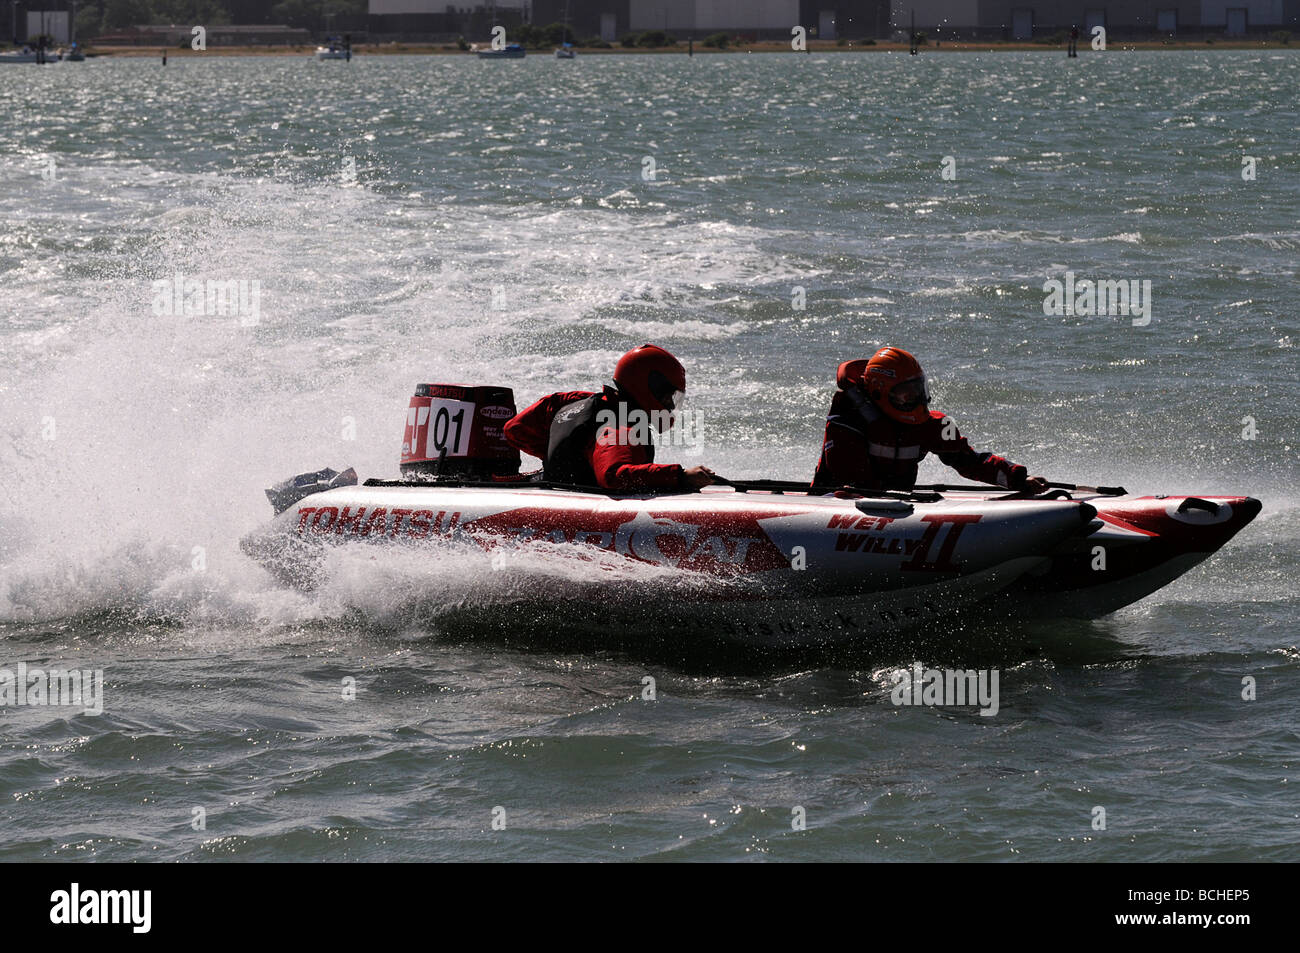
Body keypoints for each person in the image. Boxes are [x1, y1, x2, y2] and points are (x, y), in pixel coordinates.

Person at [811, 346, 1049, 494]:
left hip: (896, 509)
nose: (915, 401)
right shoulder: (847, 420)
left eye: (918, 391)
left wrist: (1018, 478)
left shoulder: (931, 426)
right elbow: (850, 476)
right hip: (836, 504)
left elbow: (970, 461)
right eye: (906, 394)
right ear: (879, 392)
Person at [503, 344, 721, 491]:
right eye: (668, 397)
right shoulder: (618, 427)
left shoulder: (574, 401)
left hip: (555, 491)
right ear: (649, 388)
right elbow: (614, 476)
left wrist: (565, 459)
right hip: (578, 514)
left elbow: (514, 429)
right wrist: (681, 476)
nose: (671, 405)